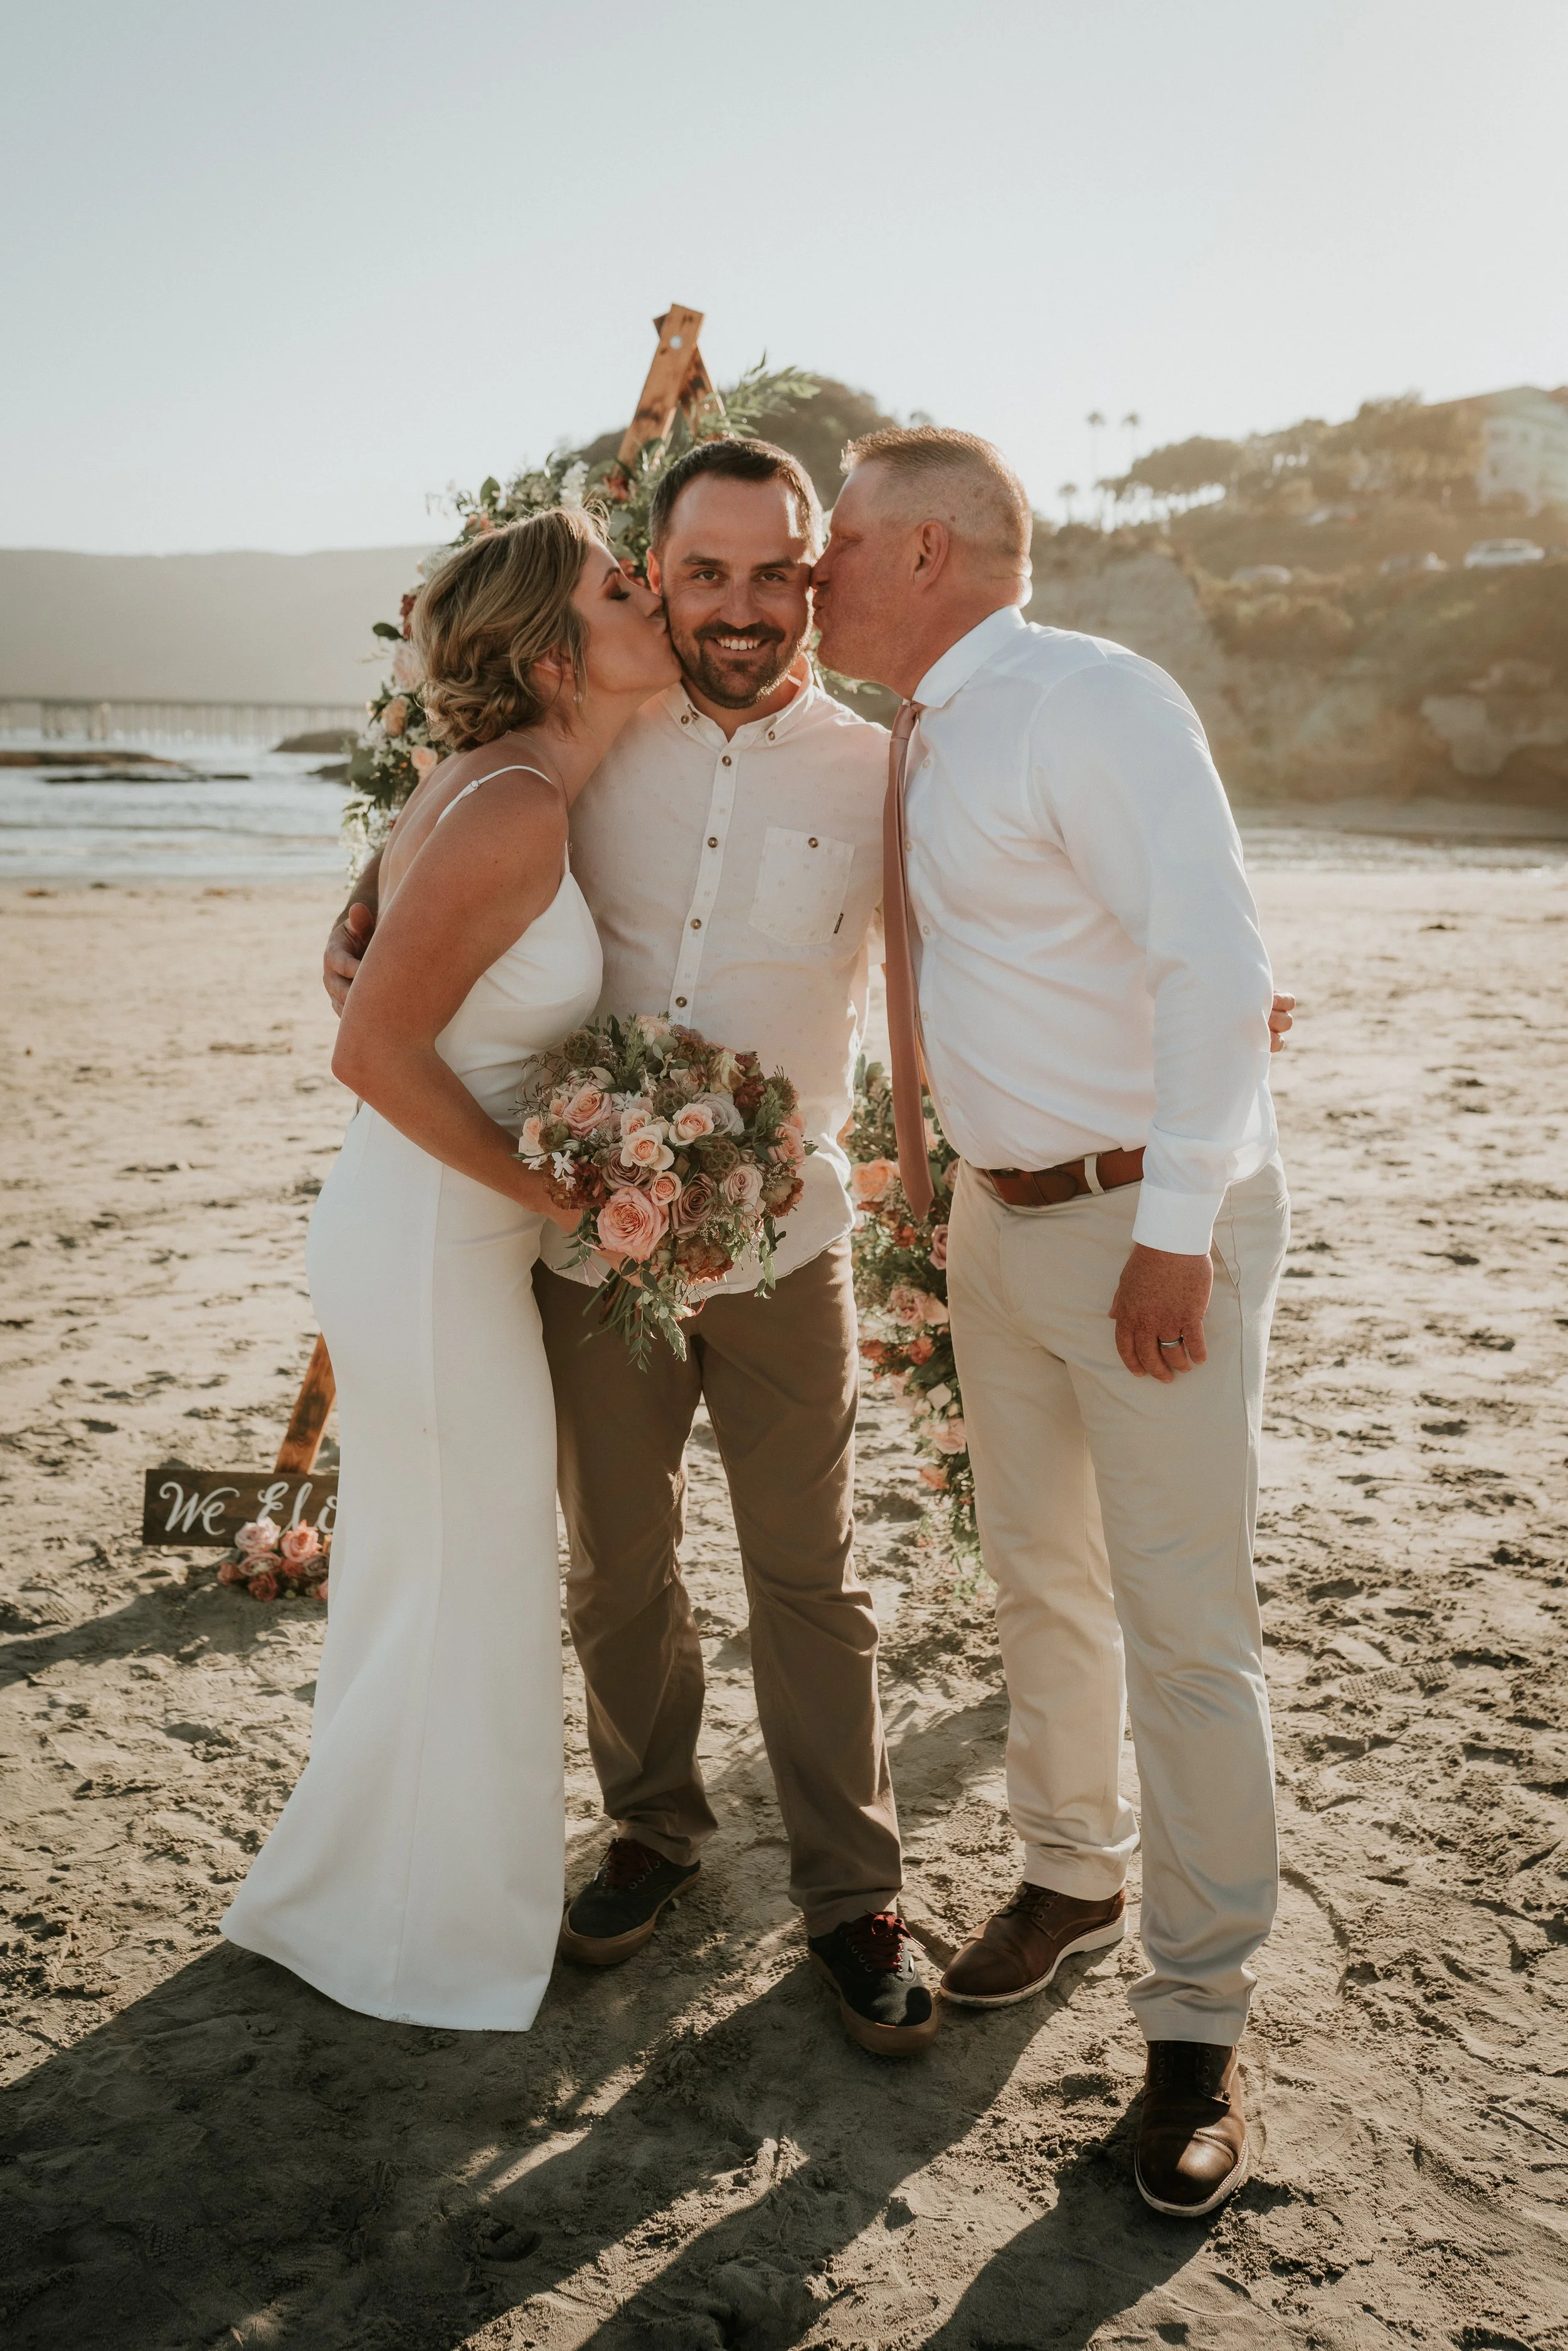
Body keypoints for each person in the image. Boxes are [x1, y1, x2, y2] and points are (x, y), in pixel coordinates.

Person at [324, 440, 938, 2057]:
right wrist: (354, 911)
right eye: (703, 573)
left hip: (790, 1236)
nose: (740, 607)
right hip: (594, 1251)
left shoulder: (877, 768)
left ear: (812, 575)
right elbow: (456, 842)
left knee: (811, 1576)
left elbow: (965, 956)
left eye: (773, 573)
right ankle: (655, 1827)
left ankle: (850, 1890)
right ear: (652, 580)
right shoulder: (589, 742)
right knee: (617, 1565)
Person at [813, 425, 1290, 2214]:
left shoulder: (1086, 699)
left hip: (1143, 1226)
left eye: (840, 541)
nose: (816, 574)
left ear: (930, 551)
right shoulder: (916, 733)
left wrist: (1172, 1234)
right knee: (1037, 1575)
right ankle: (1072, 1870)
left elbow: (1216, 967)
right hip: (997, 1228)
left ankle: (1195, 2019)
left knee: (1185, 1626)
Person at [223, 509, 677, 2029]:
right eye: (627, 584)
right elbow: (370, 1043)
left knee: (427, 1570)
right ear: (555, 645)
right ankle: (421, 1940)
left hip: (419, 1238)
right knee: (468, 1574)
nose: (656, 595)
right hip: (428, 1244)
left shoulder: (499, 782)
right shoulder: (510, 807)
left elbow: (366, 951)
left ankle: (359, 1901)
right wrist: (554, 1189)